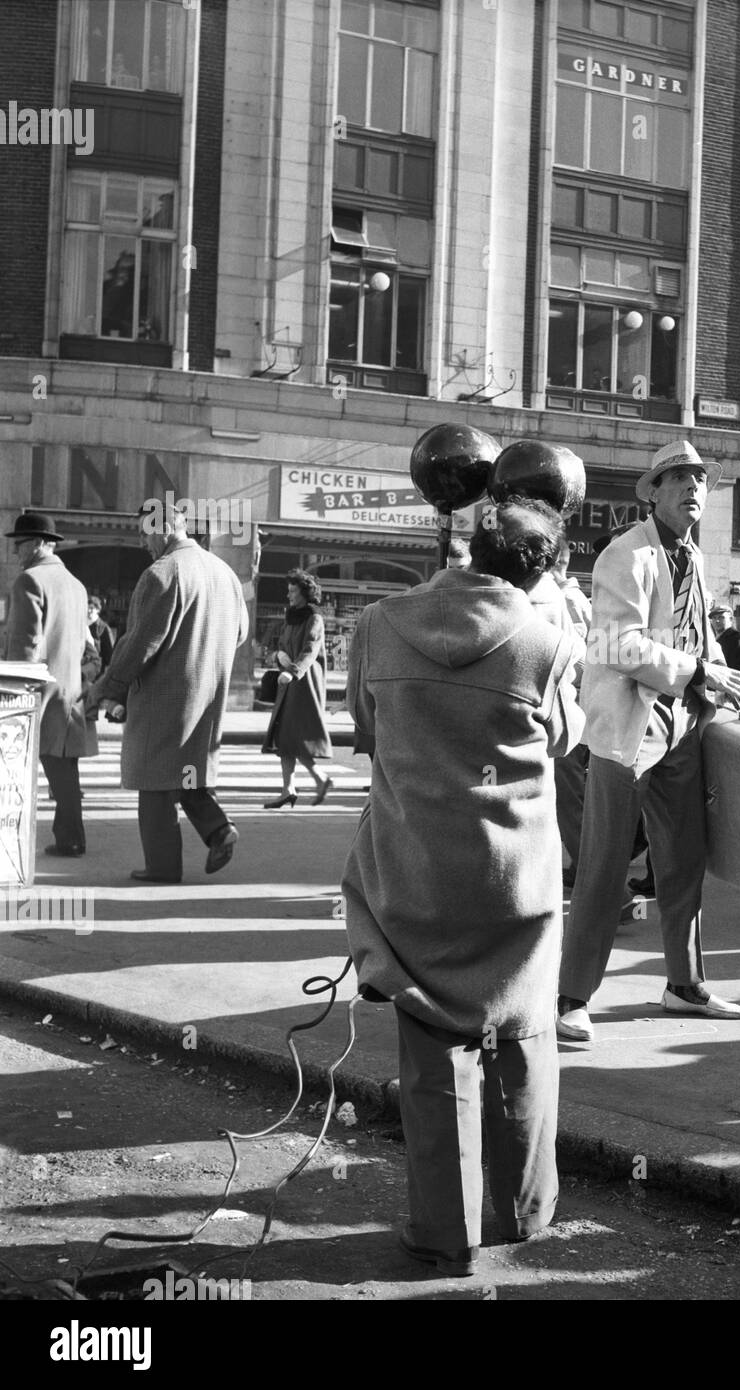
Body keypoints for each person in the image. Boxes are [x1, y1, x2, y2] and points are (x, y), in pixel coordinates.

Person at [342, 499, 583, 1277]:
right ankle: (518, 1213)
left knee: (431, 1042)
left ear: (465, 548)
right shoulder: (547, 641)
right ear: (541, 568)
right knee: (521, 1034)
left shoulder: (378, 623)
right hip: (512, 875)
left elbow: (365, 726)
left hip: (412, 866)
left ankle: (443, 1231)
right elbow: (562, 736)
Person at [556, 440, 740, 1043]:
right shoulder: (627, 553)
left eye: (700, 479)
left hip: (685, 723)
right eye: (680, 479)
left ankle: (685, 984)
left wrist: (717, 675)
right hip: (631, 728)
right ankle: (571, 996)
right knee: (605, 864)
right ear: (655, 491)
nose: (694, 488)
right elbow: (618, 645)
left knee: (683, 859)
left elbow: (698, 636)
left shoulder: (690, 557)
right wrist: (702, 672)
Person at [87, 502, 247, 883]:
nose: (142, 541)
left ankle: (162, 867)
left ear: (162, 529)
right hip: (208, 693)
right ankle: (218, 829)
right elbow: (239, 633)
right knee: (187, 773)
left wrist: (105, 689)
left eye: (144, 532)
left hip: (166, 694)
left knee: (155, 781)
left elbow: (140, 642)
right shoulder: (224, 572)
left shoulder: (162, 572)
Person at [4, 512, 100, 858]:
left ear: (39, 544)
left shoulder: (29, 581)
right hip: (69, 693)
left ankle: (19, 843)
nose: (16, 552)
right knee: (65, 772)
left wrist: (13, 695)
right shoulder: (76, 585)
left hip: (37, 695)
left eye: (20, 544)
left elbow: (24, 648)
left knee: (19, 772)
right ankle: (70, 837)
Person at [260, 569, 333, 808]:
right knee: (286, 736)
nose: (288, 595)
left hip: (303, 684)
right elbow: (284, 644)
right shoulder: (290, 616)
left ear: (304, 593)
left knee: (293, 736)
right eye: (289, 590)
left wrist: (292, 672)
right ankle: (289, 788)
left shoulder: (314, 618)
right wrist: (277, 656)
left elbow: (310, 650)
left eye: (293, 591)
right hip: (288, 681)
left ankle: (318, 780)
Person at [711, 606, 740, 672]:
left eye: (721, 617)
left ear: (731, 619)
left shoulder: (735, 639)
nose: (717, 621)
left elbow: (735, 667)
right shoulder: (716, 637)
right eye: (714, 618)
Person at [87, 595, 115, 670]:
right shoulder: (82, 625)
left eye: (91, 608)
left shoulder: (104, 628)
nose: (88, 611)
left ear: (97, 610)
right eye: (87, 608)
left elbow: (109, 654)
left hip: (96, 670)